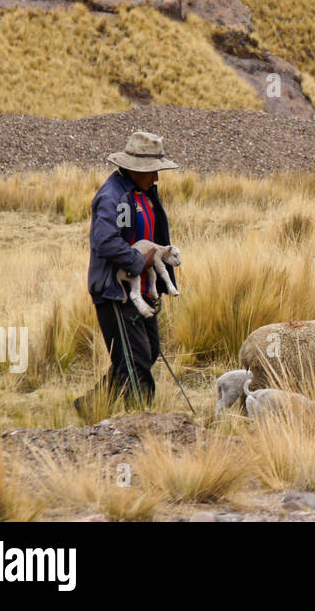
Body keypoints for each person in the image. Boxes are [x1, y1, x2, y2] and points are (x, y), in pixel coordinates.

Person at [76, 130, 179, 415]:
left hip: (141, 293)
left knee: (147, 351)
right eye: (152, 171)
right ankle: (140, 423)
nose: (156, 177)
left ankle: (90, 408)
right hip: (116, 294)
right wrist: (140, 261)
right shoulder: (114, 197)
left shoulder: (142, 193)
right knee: (136, 361)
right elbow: (105, 241)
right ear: (134, 168)